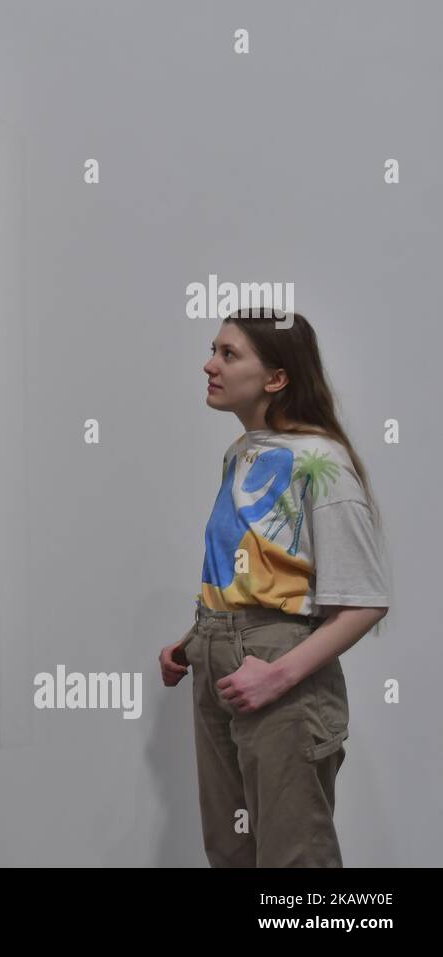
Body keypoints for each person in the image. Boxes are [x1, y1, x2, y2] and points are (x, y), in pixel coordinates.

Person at [159, 308, 391, 867]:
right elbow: (251, 571)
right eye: (214, 349)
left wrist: (277, 675)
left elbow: (364, 602)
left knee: (294, 862)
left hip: (279, 670)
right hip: (223, 660)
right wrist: (193, 641)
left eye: (228, 354)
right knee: (232, 851)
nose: (209, 364)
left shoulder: (321, 463)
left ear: (277, 378)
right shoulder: (240, 454)